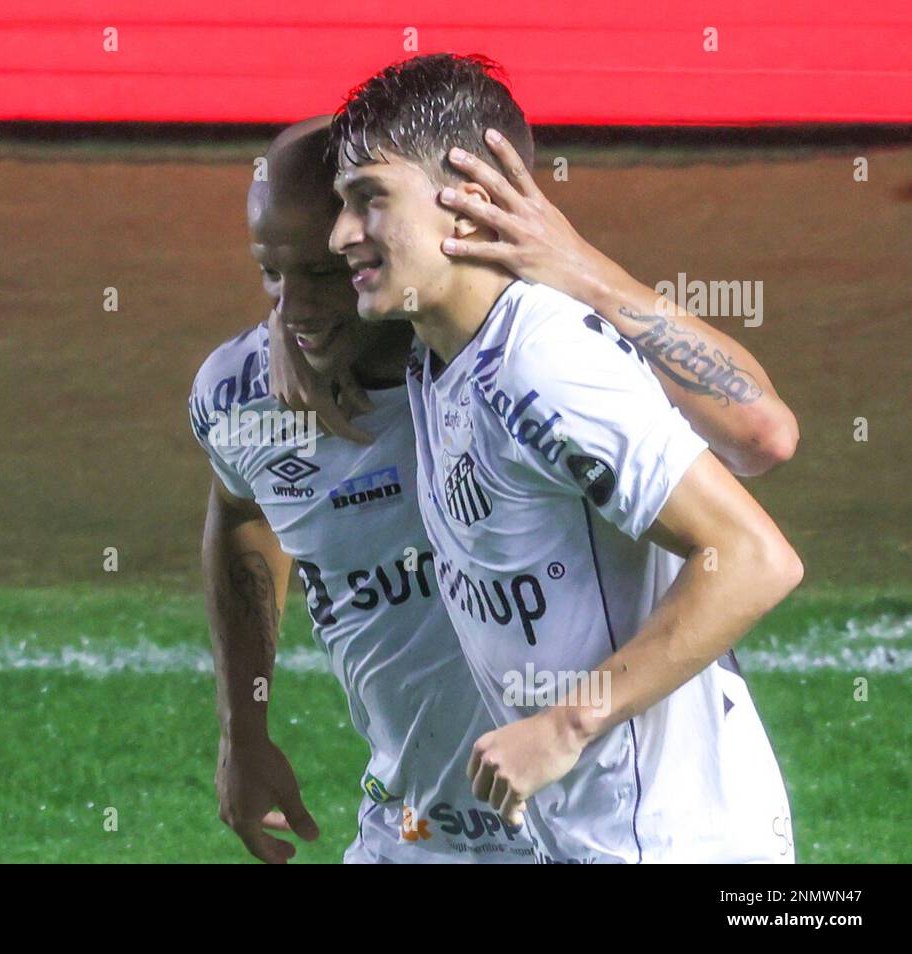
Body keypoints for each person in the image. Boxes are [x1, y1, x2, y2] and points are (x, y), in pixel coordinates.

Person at [322, 52, 802, 862]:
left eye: (369, 199)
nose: (340, 235)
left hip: (665, 840)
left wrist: (565, 725)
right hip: (589, 835)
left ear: (467, 204)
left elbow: (756, 556)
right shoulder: (438, 352)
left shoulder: (541, 361)